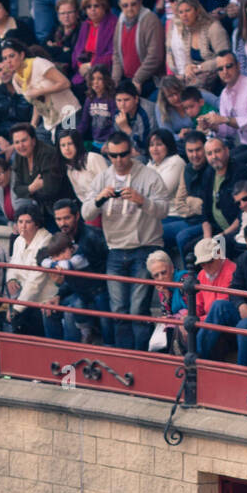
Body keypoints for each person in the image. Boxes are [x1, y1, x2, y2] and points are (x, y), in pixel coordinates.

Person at [81, 131, 167, 351]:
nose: (119, 160)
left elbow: (164, 210)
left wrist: (142, 201)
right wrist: (100, 198)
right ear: (107, 154)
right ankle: (124, 359)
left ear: (131, 152)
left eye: (123, 154)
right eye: (113, 155)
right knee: (118, 310)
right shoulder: (102, 178)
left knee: (139, 310)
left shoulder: (149, 175)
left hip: (145, 247)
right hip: (116, 249)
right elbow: (86, 213)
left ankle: (142, 358)